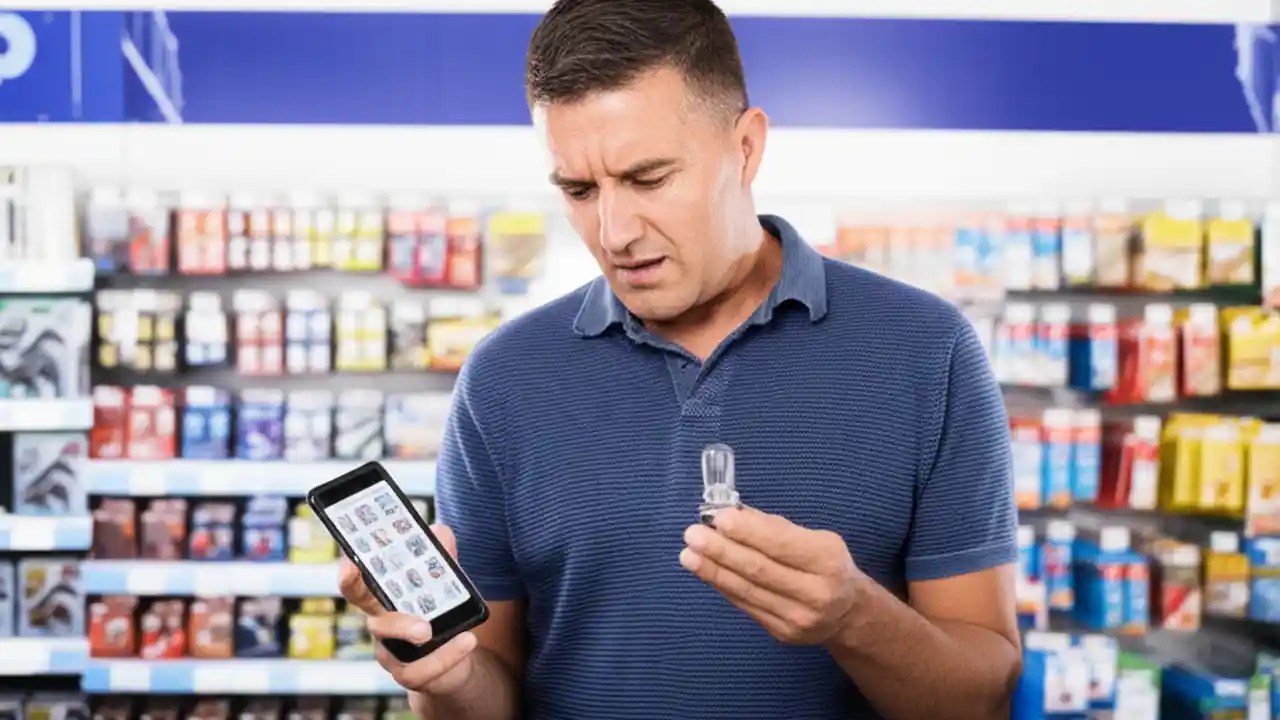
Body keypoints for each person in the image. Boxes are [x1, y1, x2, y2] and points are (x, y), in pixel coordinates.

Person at [338, 1, 1021, 718]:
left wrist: (855, 617)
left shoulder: (926, 351)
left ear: (747, 149)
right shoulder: (503, 379)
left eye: (649, 178)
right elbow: (489, 692)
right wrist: (444, 679)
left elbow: (983, 695)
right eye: (578, 190)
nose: (614, 232)